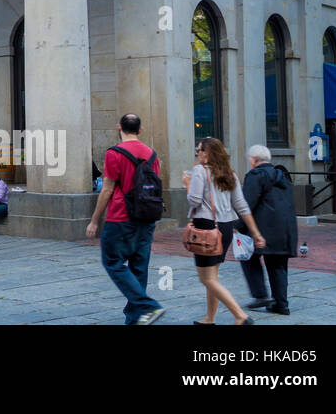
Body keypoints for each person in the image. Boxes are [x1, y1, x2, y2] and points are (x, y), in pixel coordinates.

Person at [86, 114, 165, 325]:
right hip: (147, 217)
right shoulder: (152, 155)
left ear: (119, 127)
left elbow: (107, 189)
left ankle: (148, 306)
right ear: (140, 130)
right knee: (139, 267)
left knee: (113, 262)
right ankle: (135, 319)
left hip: (120, 217)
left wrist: (95, 220)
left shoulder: (114, 153)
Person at [184, 137, 264, 325]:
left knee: (207, 279)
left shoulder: (199, 171)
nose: (198, 153)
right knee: (213, 276)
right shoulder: (230, 174)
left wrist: (187, 183)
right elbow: (241, 206)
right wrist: (255, 232)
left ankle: (240, 316)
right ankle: (209, 318)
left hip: (206, 227)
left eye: (201, 150)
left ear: (210, 153)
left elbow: (194, 200)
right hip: (226, 227)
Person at [240, 145, 298, 316]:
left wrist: (237, 225)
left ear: (253, 160)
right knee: (278, 265)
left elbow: (247, 204)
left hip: (263, 228)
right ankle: (281, 304)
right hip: (285, 229)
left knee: (248, 257)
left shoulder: (255, 175)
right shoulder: (283, 176)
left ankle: (260, 295)